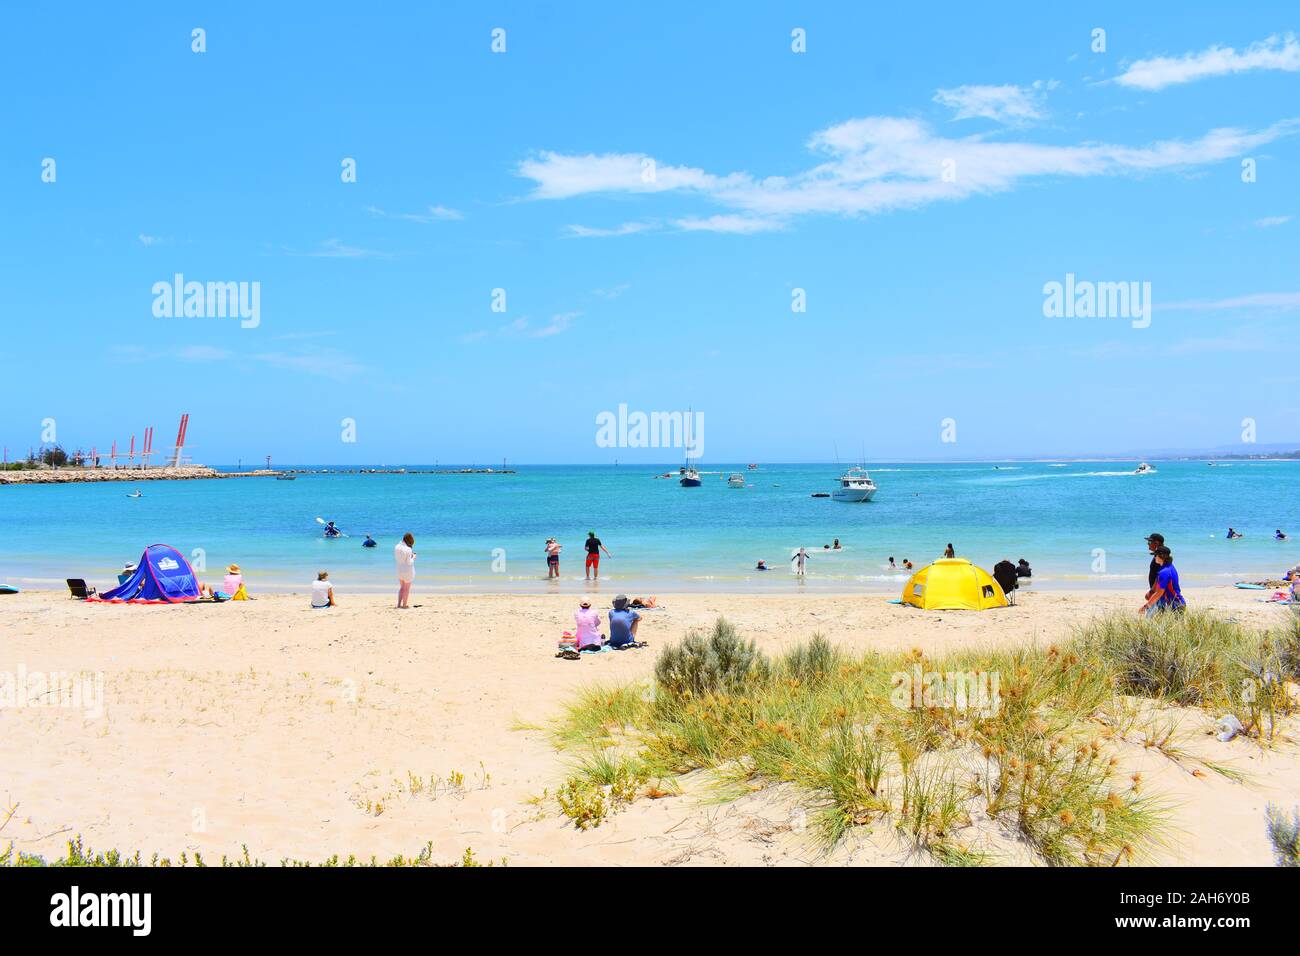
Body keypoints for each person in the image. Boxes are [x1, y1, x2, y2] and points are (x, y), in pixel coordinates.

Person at [1140, 547, 1185, 616]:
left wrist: (1145, 606)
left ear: (1162, 556)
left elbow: (1159, 593)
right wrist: (1151, 591)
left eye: (1155, 555)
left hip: (1175, 606)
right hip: (1170, 604)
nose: (1154, 557)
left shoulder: (1164, 572)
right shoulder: (1168, 567)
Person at [394, 533, 415, 609]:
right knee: (406, 589)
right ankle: (404, 605)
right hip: (407, 571)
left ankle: (399, 604)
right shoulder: (408, 549)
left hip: (399, 570)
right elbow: (409, 562)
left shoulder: (396, 547)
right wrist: (414, 557)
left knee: (402, 587)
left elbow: (398, 558)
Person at [1144, 533, 1165, 605]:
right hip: (1157, 592)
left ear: (1156, 543)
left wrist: (1152, 592)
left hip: (1158, 592)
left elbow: (1160, 575)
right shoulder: (1158, 555)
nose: (1148, 544)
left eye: (1150, 542)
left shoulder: (1160, 557)